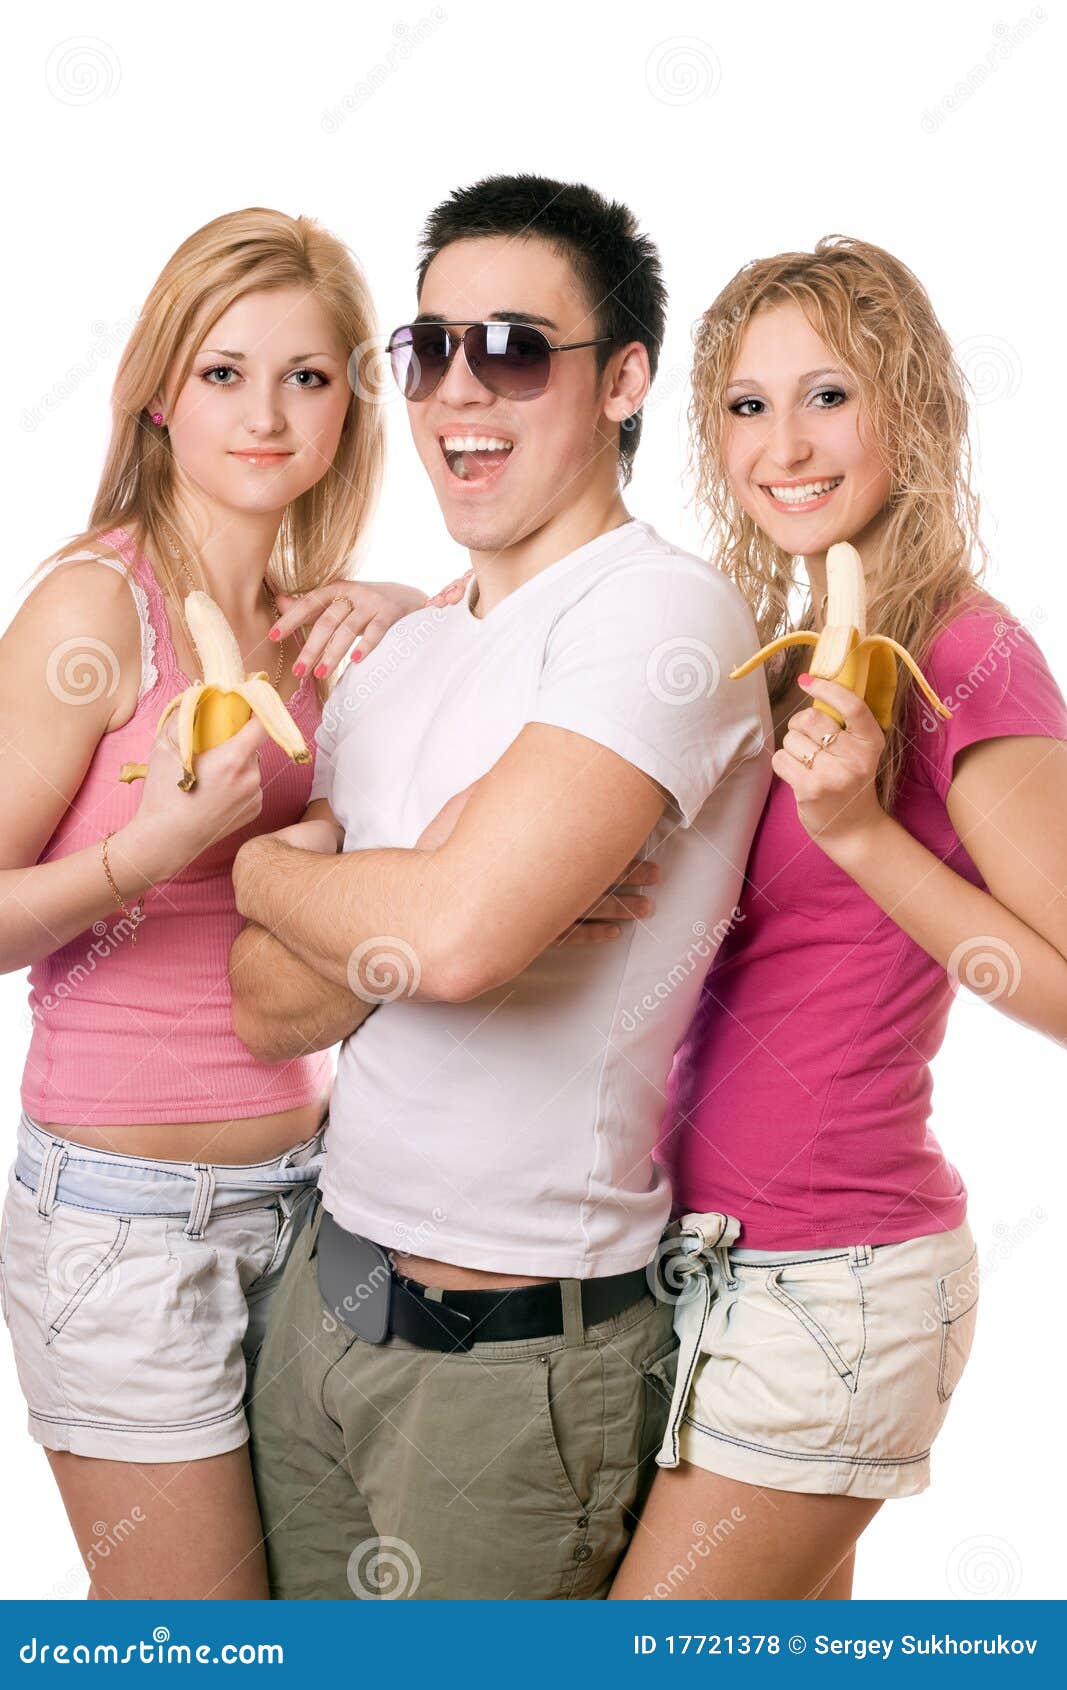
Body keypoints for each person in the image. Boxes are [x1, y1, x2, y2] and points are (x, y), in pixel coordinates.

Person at [229, 173, 772, 1600]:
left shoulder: (660, 616)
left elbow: (460, 941)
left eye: (518, 347)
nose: (461, 390)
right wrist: (306, 877)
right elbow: (266, 1004)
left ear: (624, 379)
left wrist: (346, 888)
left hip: (513, 1357)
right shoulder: (402, 654)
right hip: (321, 1298)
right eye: (429, 350)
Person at [609, 236, 1067, 1601]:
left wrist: (862, 836)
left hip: (835, 1284)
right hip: (716, 1266)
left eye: (828, 395)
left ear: (911, 409)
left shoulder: (967, 658)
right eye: (747, 405)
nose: (783, 443)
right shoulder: (801, 651)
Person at [0, 206, 437, 1599]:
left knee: (316, 1627)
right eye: (225, 372)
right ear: (156, 395)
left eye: (307, 377)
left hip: (318, 1201)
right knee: (190, 1636)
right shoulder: (94, 611)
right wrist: (142, 854)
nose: (267, 412)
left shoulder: (322, 630)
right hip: (125, 1224)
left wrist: (415, 606)